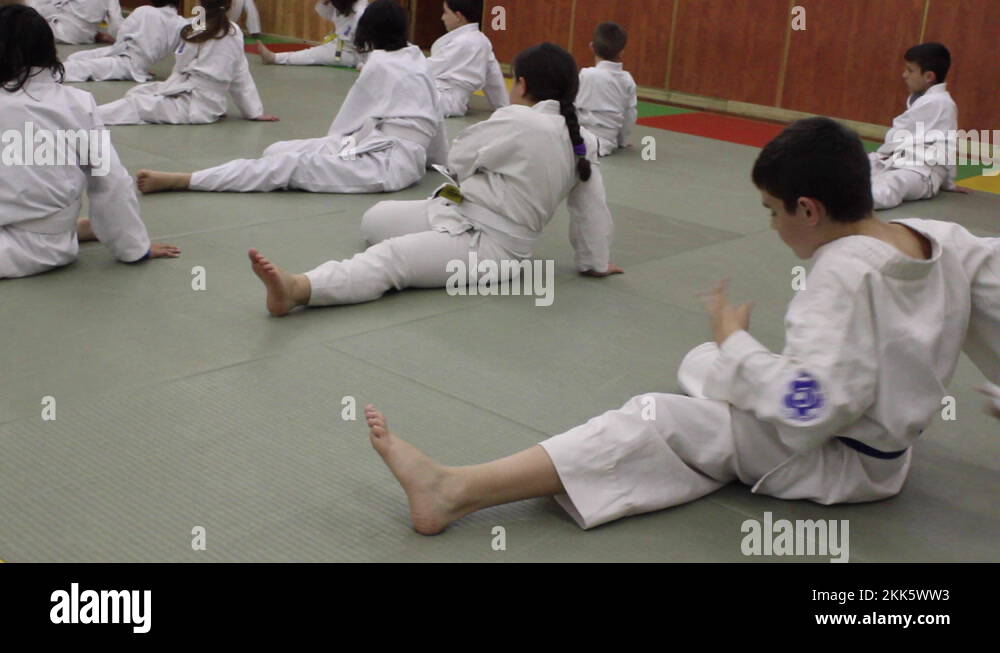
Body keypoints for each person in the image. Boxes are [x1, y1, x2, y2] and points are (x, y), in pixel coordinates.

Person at [361, 116, 999, 534]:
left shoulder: (839, 276)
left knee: (657, 417)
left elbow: (809, 409)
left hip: (836, 461)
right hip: (883, 450)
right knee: (703, 365)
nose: (772, 226)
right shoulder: (939, 237)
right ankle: (719, 398)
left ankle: (455, 489)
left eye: (773, 211)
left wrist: (736, 342)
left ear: (808, 208)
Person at [243, 42, 621, 316]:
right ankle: (428, 249)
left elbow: (459, 157)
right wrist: (596, 262)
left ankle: (299, 289)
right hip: (458, 212)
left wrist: (483, 169)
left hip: (493, 249)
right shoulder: (582, 141)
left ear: (522, 84)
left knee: (391, 258)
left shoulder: (519, 120)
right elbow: (591, 209)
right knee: (375, 218)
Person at [135, 0, 443, 194]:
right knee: (276, 149)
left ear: (369, 31)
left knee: (288, 164)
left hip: (385, 165)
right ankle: (216, 175)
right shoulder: (417, 57)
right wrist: (440, 162)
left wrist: (332, 151)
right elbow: (434, 120)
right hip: (374, 146)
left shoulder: (378, 64)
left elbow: (344, 125)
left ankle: (187, 179)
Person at [0, 5, 179, 279]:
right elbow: (112, 182)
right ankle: (85, 227)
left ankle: (81, 227)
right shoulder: (78, 103)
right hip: (49, 241)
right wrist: (133, 246)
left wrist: (135, 248)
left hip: (32, 246)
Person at [96, 0, 277, 125]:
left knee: (138, 104)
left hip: (198, 106)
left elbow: (183, 62)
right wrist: (253, 111)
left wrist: (255, 113)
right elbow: (241, 76)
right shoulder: (225, 30)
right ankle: (94, 114)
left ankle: (91, 117)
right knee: (139, 92)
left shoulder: (223, 31)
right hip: (194, 93)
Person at [870, 42, 969, 209]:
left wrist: (948, 182)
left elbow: (948, 144)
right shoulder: (924, 99)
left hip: (921, 173)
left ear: (929, 76)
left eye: (910, 70)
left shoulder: (941, 103)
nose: (904, 75)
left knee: (893, 183)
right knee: (855, 163)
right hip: (897, 161)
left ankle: (853, 204)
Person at [62, 0, 188, 83]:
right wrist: (144, 64)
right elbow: (182, 52)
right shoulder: (180, 24)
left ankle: (55, 73)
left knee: (82, 65)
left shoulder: (144, 11)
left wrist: (140, 63)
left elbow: (120, 33)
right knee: (79, 58)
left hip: (126, 63)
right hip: (133, 61)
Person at [428, 0, 508, 117]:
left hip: (443, 100)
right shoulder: (482, 40)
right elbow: (494, 78)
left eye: (445, 12)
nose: (442, 18)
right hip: (448, 98)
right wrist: (504, 105)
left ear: (458, 16)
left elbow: (429, 69)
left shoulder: (464, 42)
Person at [576, 22, 637, 157]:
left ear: (592, 47)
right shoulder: (627, 80)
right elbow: (629, 115)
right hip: (607, 143)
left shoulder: (586, 75)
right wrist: (622, 141)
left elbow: (571, 107)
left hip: (581, 137)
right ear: (621, 52)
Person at [258, 0, 368, 68]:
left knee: (314, 55)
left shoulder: (360, 12)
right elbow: (326, 14)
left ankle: (274, 58)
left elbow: (369, 43)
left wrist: (364, 63)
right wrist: (323, 2)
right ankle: (274, 58)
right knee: (313, 53)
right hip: (340, 45)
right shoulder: (343, 6)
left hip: (352, 53)